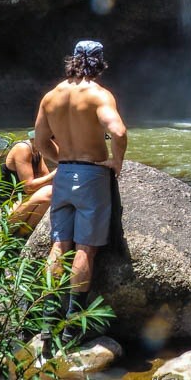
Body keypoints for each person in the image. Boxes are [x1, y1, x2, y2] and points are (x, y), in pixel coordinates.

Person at [33, 39, 127, 344]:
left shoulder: (51, 96)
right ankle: (73, 324)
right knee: (85, 248)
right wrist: (116, 161)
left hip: (64, 174)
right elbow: (118, 131)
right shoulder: (99, 95)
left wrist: (61, 158)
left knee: (59, 245)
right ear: (99, 62)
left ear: (73, 60)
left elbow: (40, 141)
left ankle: (48, 319)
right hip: (92, 175)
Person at [3, 131, 55, 235]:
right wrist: (56, 172)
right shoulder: (22, 148)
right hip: (3, 210)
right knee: (49, 192)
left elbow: (47, 180)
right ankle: (20, 235)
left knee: (54, 192)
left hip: (19, 205)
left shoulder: (37, 152)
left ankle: (23, 233)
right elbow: (29, 187)